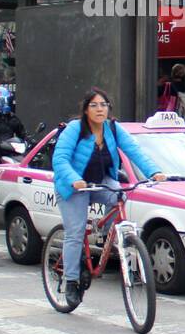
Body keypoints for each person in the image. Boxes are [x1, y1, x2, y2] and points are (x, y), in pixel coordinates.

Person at [51, 88, 165, 308]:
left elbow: (135, 151)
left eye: (103, 105)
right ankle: (71, 280)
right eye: (94, 105)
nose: (99, 109)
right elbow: (60, 159)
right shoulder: (75, 129)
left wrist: (154, 172)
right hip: (74, 186)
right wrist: (74, 179)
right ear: (85, 110)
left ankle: (106, 235)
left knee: (120, 196)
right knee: (75, 233)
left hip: (100, 181)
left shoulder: (112, 128)